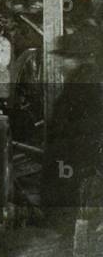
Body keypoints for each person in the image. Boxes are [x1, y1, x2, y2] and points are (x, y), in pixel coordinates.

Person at [41, 31, 103, 232]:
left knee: (66, 220)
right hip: (71, 164)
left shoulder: (83, 87)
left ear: (80, 59)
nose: (60, 63)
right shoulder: (80, 83)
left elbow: (84, 130)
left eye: (66, 58)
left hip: (73, 167)